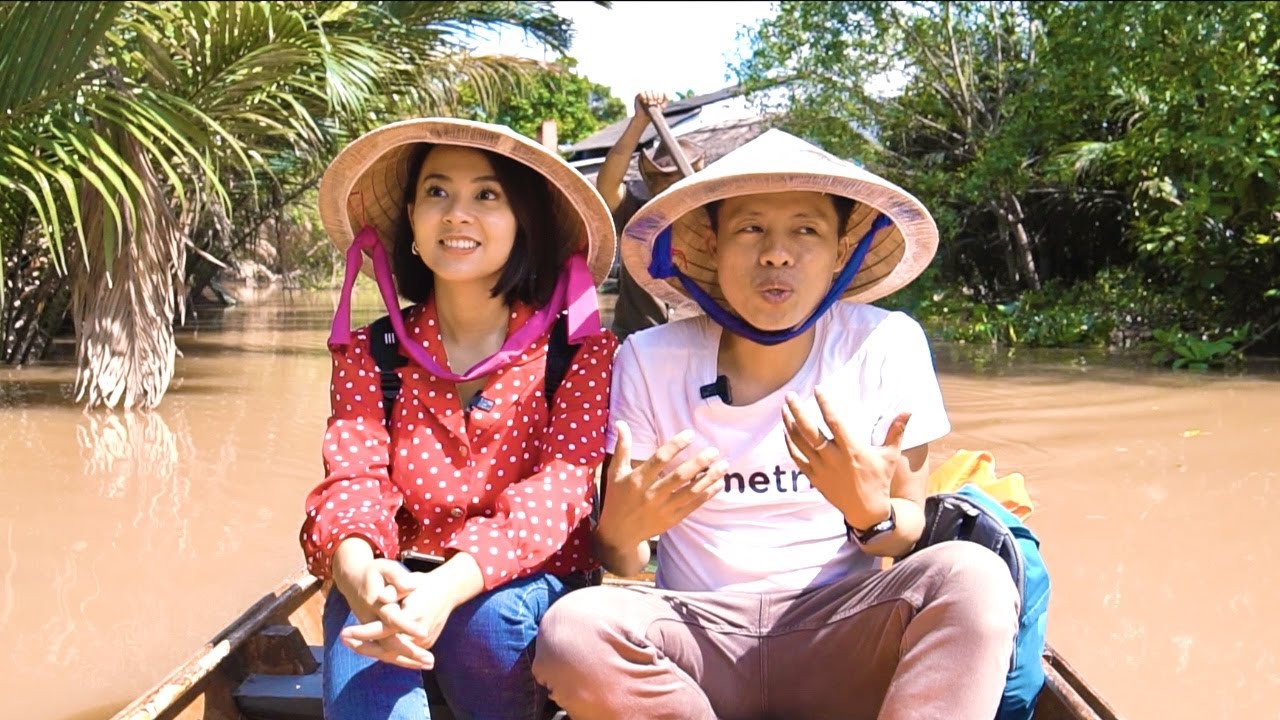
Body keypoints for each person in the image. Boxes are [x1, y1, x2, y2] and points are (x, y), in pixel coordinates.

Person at [533, 129, 1021, 719]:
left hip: (840, 629)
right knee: (575, 629)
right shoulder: (647, 356)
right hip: (697, 638)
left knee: (974, 578)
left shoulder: (885, 342)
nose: (776, 253)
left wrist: (870, 513)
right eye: (750, 228)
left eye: (806, 230)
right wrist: (622, 530)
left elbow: (907, 531)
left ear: (842, 251)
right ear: (711, 247)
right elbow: (624, 562)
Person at [301, 118, 618, 720]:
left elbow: (561, 492)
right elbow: (353, 476)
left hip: (521, 587)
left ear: (523, 222)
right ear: (413, 224)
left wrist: (447, 589)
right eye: (437, 192)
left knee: (486, 621)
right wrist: (362, 577)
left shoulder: (575, 353)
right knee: (358, 633)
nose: (456, 214)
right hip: (394, 574)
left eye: (487, 195)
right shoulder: (374, 350)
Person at [596, 90, 706, 341]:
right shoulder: (635, 217)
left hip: (696, 348)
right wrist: (639, 123)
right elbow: (607, 183)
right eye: (662, 179)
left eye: (676, 180)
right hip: (636, 343)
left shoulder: (713, 224)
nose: (669, 188)